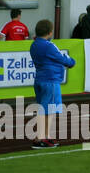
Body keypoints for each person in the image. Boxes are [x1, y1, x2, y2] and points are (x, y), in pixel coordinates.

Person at [30, 19, 74, 148]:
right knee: (50, 109)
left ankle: (43, 136)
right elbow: (62, 58)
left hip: (40, 79)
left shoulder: (34, 45)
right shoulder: (49, 45)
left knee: (43, 108)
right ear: (50, 32)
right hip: (50, 80)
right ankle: (43, 138)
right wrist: (71, 62)